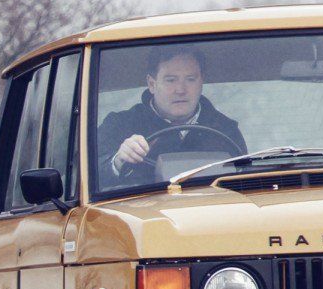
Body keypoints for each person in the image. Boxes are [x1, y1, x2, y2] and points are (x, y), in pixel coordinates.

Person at [97, 46, 246, 186]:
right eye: (171, 80)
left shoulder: (226, 131)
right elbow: (88, 179)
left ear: (201, 82)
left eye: (190, 79)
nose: (180, 90)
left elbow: (244, 183)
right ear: (151, 84)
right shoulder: (119, 126)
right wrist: (119, 160)